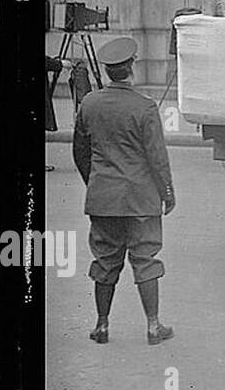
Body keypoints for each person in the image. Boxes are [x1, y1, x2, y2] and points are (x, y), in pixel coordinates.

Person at [71, 37, 175, 346]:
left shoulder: (89, 103)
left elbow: (80, 151)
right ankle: (153, 327)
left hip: (103, 199)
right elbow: (158, 158)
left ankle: (101, 326)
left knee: (105, 262)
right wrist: (167, 192)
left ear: (106, 71)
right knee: (145, 259)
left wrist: (97, 183)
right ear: (131, 68)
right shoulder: (145, 107)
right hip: (141, 201)